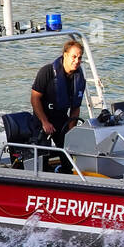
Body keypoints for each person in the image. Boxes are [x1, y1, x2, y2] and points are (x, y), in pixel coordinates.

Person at [30, 39, 87, 170]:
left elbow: (75, 107)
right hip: (42, 119)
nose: (77, 61)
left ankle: (67, 175)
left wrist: (71, 131)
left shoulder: (79, 79)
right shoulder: (47, 72)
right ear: (65, 55)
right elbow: (34, 98)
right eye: (74, 56)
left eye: (80, 58)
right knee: (41, 159)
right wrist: (44, 122)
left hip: (61, 120)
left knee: (70, 157)